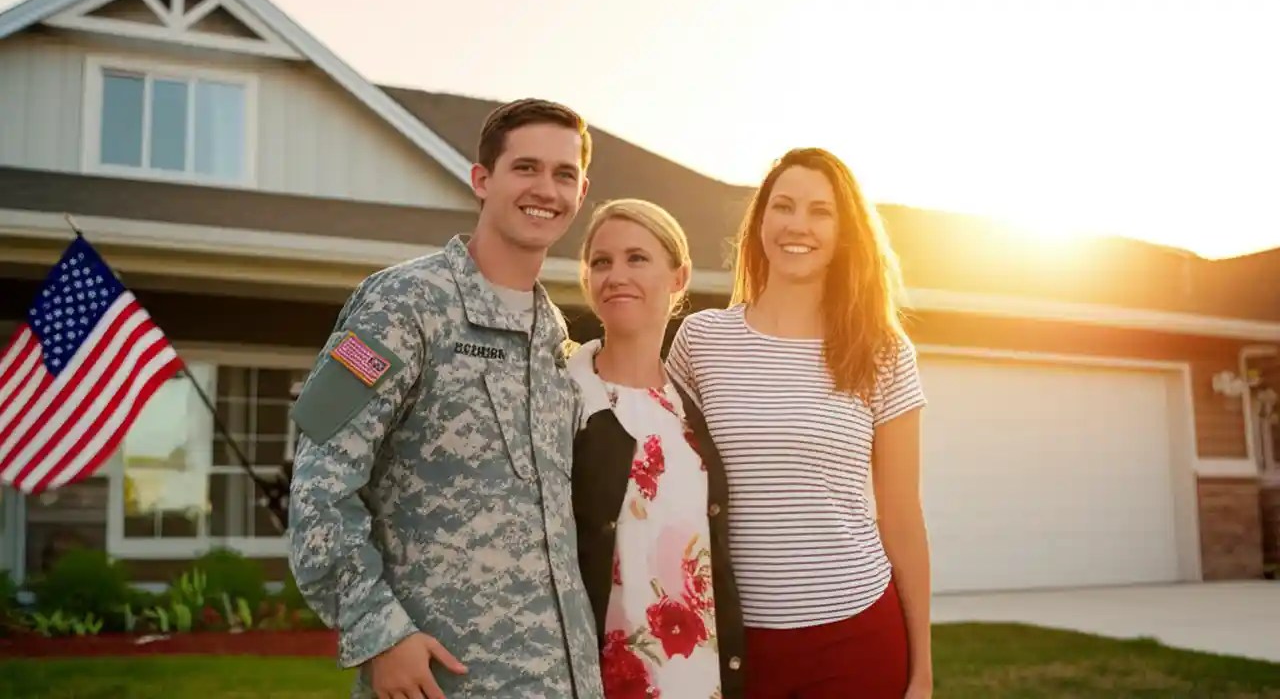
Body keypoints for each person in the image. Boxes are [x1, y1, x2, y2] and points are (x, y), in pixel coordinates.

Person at [287, 98, 605, 699]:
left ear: (581, 191)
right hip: (443, 680)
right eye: (526, 168)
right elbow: (320, 480)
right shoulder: (404, 303)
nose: (546, 189)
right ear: (482, 179)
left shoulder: (553, 337)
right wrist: (377, 630)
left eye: (565, 174)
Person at [666, 148, 933, 699]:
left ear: (844, 233)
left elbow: (902, 516)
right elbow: (662, 479)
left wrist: (922, 669)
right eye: (783, 207)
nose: (798, 225)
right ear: (760, 223)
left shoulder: (881, 351)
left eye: (820, 211)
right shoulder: (702, 340)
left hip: (855, 634)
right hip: (735, 642)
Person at [567, 199, 746, 699]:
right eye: (601, 262)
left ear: (679, 277)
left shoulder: (694, 414)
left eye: (636, 258)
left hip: (698, 677)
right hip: (598, 681)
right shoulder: (561, 403)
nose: (615, 275)